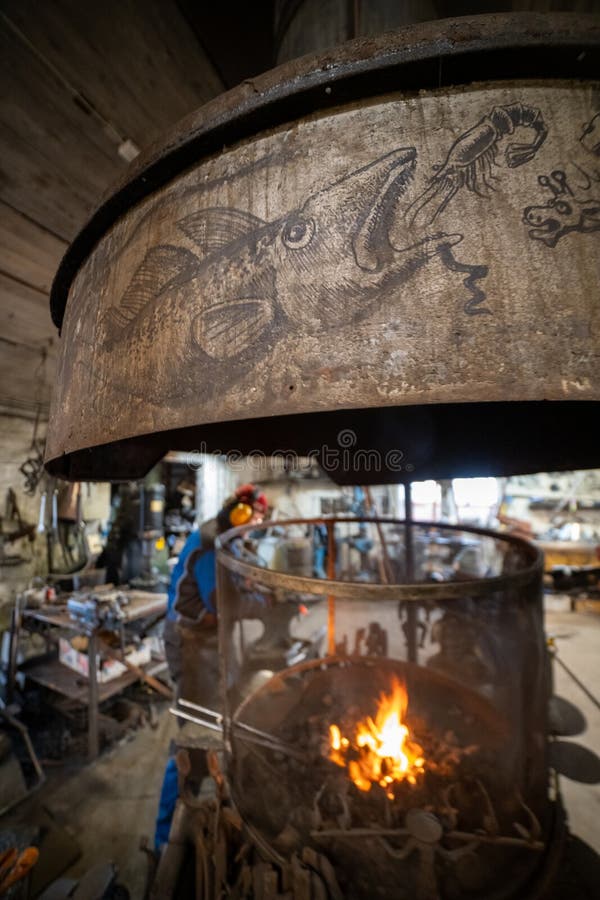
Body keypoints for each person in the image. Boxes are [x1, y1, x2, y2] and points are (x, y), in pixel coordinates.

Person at [154, 483, 268, 851]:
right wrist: (260, 604)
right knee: (194, 736)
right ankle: (164, 843)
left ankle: (220, 800)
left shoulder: (228, 537)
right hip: (190, 639)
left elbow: (236, 582)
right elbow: (218, 608)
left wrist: (253, 588)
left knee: (221, 719)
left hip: (209, 640)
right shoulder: (210, 544)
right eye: (256, 518)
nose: (258, 525)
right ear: (240, 513)